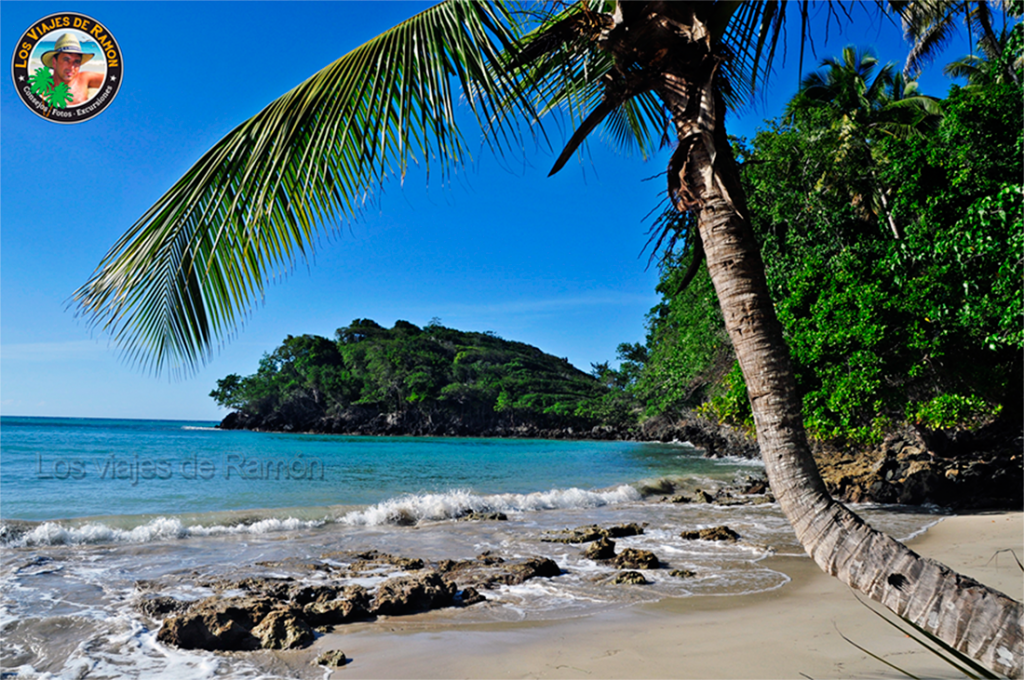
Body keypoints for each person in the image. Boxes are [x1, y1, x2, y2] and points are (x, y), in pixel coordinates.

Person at [40, 33, 103, 106]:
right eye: (66, 60)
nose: (72, 67)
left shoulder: (84, 79)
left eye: (77, 61)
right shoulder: (42, 90)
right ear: (54, 62)